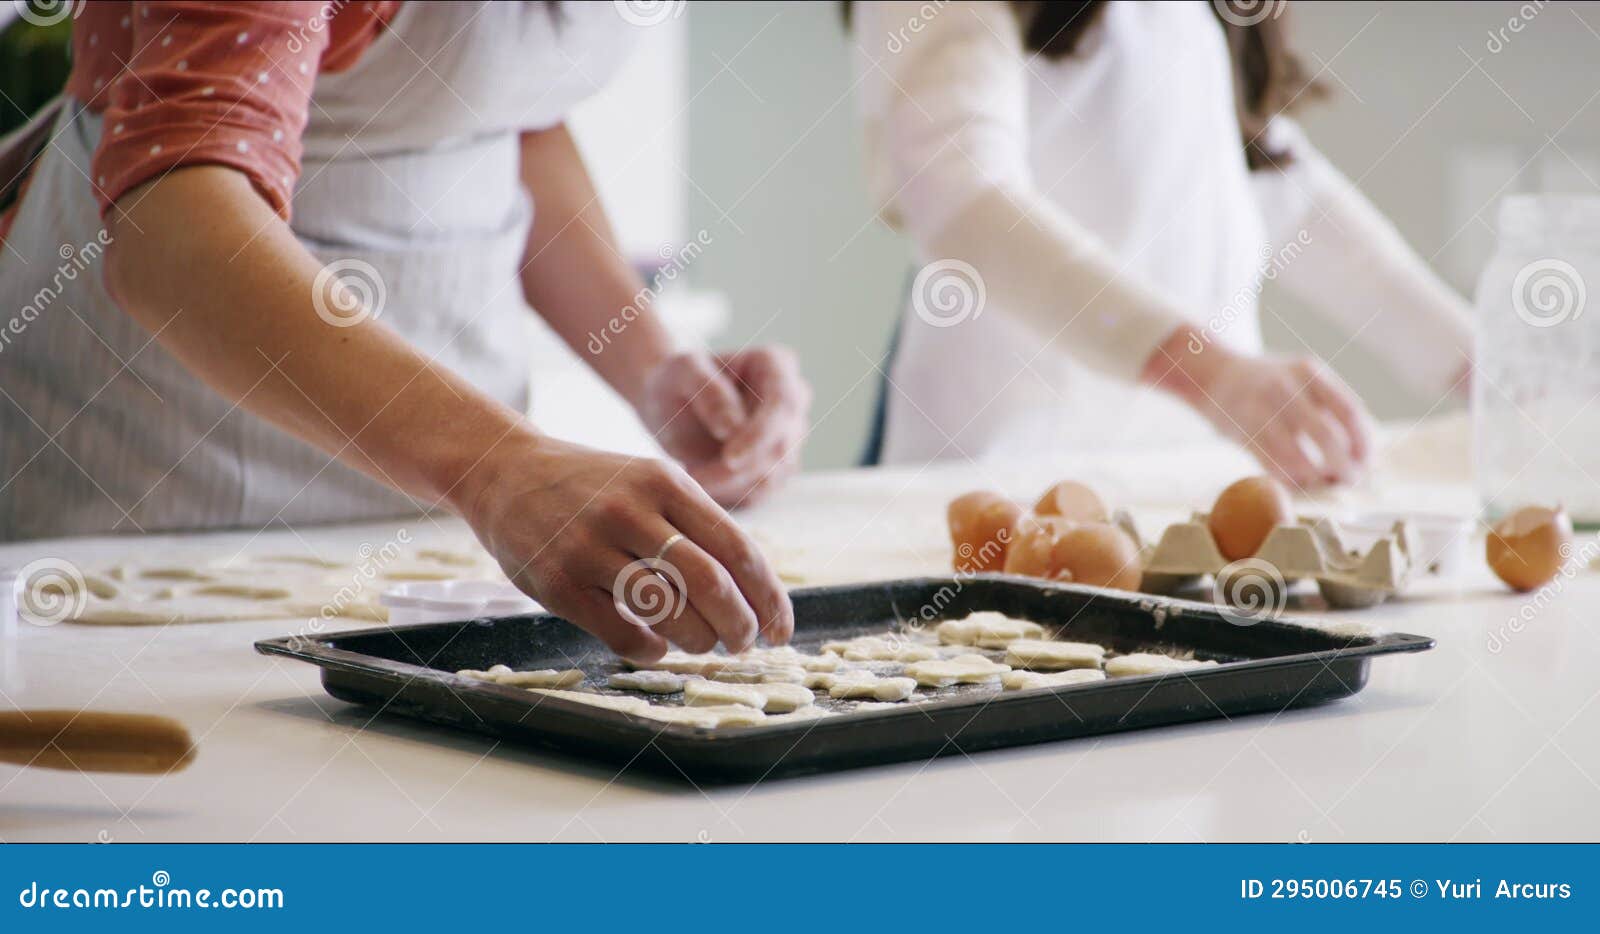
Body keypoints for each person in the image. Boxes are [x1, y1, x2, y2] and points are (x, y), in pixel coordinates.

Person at [0, 2, 812, 661]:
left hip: (433, 494)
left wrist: (655, 366)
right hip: (162, 461)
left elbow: (504, 106)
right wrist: (497, 466)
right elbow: (169, 230)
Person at [851, 0, 1473, 490]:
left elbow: (1283, 193)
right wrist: (1212, 374)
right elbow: (965, 201)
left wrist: (1488, 368)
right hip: (992, 483)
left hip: (1187, 487)